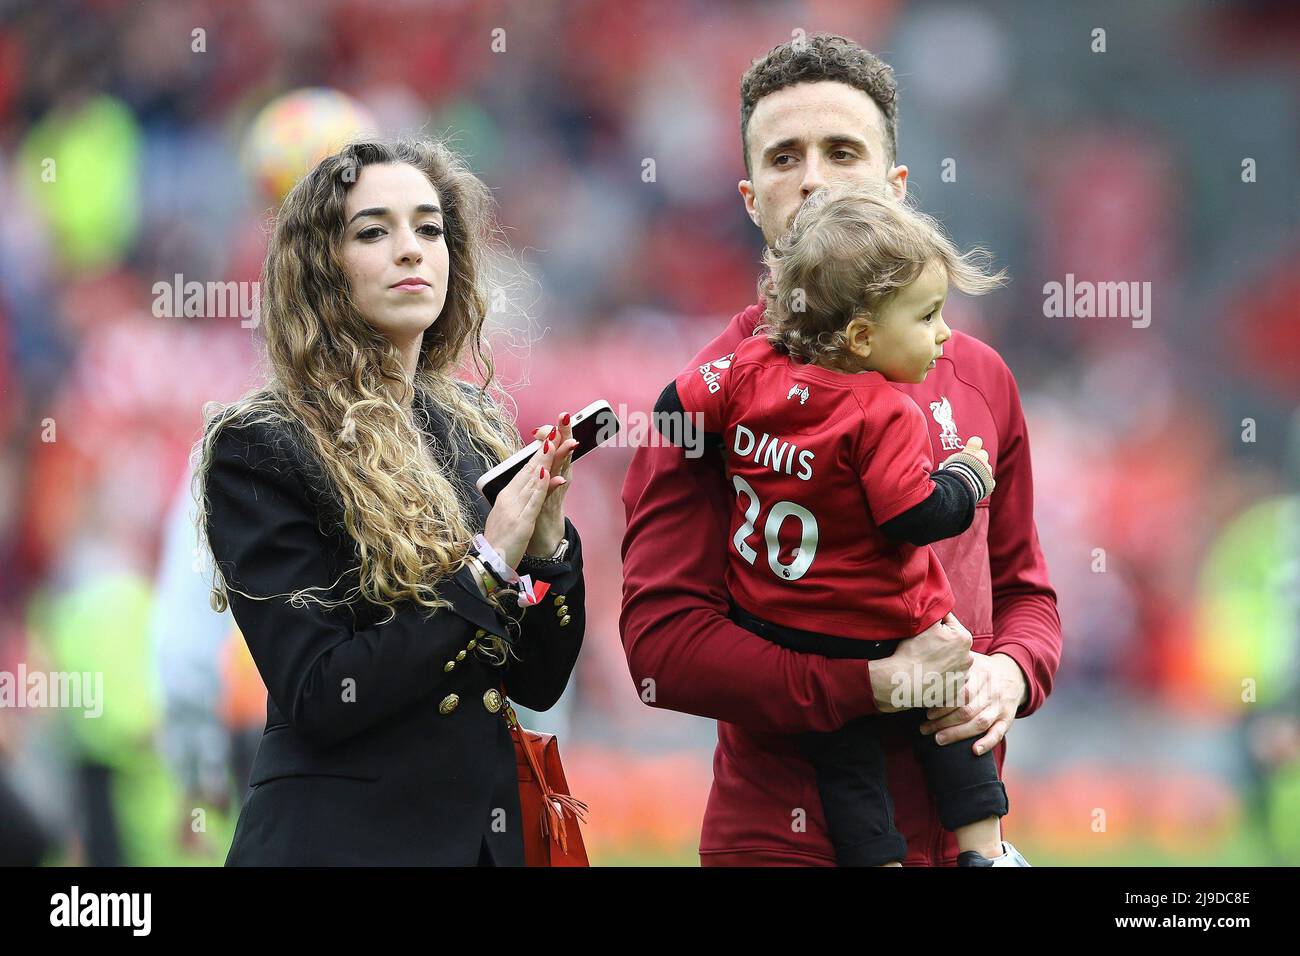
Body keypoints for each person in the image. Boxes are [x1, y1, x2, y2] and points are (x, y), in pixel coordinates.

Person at [620, 34, 1061, 866]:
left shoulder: (980, 377)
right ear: (751, 199)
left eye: (843, 151)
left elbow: (1025, 593)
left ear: (895, 188)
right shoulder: (704, 403)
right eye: (785, 157)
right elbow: (661, 646)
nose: (814, 178)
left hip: (958, 837)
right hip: (783, 840)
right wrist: (872, 685)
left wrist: (1011, 675)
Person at [196, 138, 586, 865]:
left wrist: (548, 548)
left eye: (429, 228)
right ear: (321, 269)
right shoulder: (262, 445)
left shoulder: (474, 426)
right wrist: (486, 567)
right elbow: (320, 693)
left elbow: (536, 680)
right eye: (374, 232)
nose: (412, 250)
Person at [657, 183, 1025, 866]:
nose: (944, 334)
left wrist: (738, 458)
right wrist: (966, 476)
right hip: (879, 628)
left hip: (796, 635)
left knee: (847, 773)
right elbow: (915, 516)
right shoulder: (880, 410)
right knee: (952, 716)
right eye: (928, 316)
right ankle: (987, 851)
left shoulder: (749, 369)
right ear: (861, 335)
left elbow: (670, 407)